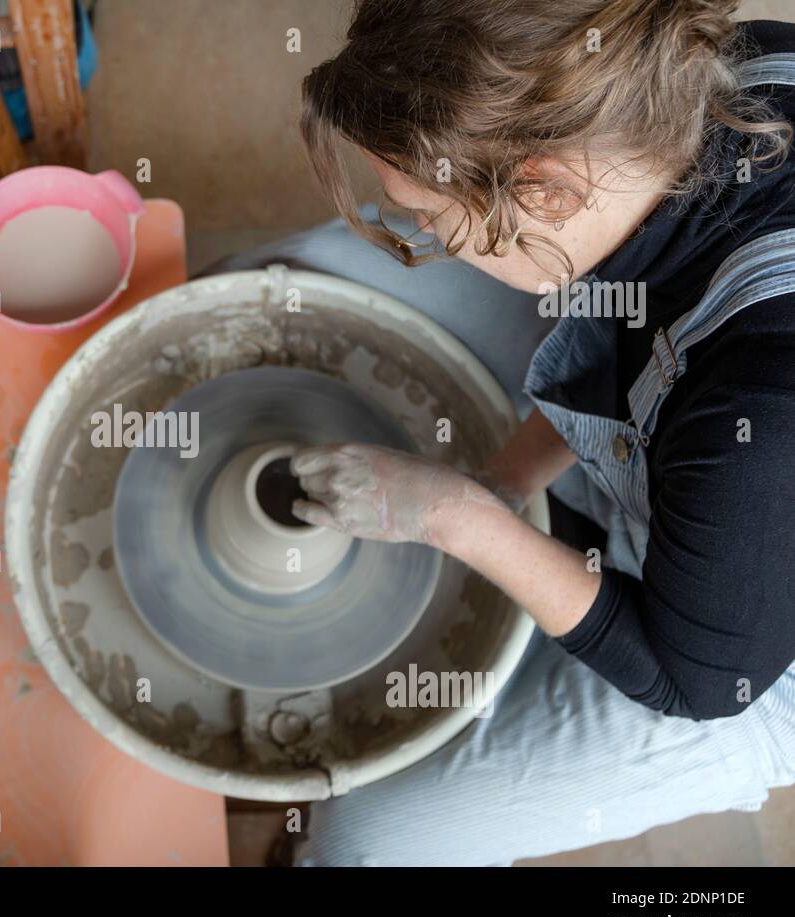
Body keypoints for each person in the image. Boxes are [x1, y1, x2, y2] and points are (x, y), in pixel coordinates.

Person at [233, 0, 795, 864]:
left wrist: (456, 515)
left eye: (426, 211)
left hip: (751, 658)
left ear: (544, 189)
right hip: (712, 436)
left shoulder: (755, 415)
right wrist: (507, 478)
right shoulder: (716, 71)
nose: (418, 228)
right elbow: (636, 323)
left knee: (364, 840)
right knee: (290, 278)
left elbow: (697, 679)